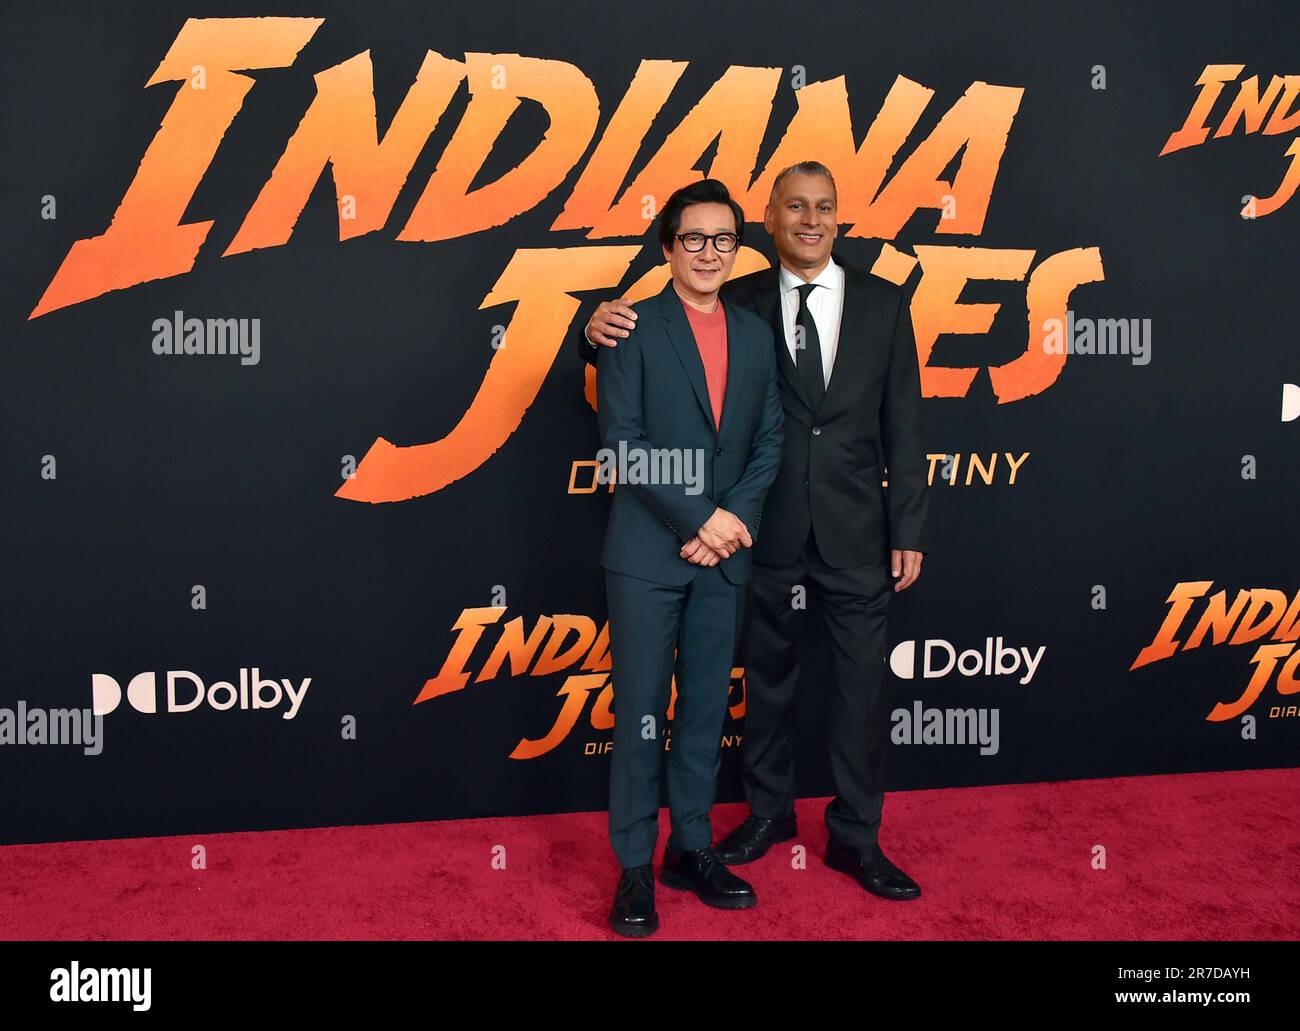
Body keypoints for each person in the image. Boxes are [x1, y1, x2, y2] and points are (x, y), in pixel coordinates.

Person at [579, 161, 929, 902]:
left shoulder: (881, 304)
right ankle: (735, 827)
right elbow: (628, 383)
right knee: (741, 692)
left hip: (835, 530)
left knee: (845, 691)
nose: (810, 219)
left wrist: (908, 525)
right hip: (754, 538)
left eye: (824, 207)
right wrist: (589, 328)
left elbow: (903, 424)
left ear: (839, 218)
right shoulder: (729, 297)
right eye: (794, 207)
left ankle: (850, 837)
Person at [597, 178, 783, 937]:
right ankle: (635, 867)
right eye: (694, 238)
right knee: (642, 715)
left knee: (705, 712)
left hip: (724, 557)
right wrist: (700, 515)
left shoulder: (756, 333)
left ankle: (692, 847)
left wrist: (730, 519)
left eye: (724, 239)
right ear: (669, 247)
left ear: (737, 248)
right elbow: (622, 445)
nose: (710, 252)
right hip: (647, 557)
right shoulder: (628, 328)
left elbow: (768, 439)